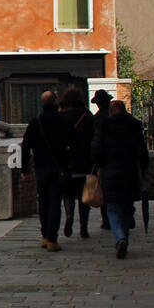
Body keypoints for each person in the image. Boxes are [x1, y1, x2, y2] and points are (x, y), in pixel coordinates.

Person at [92, 100, 149, 259]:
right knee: (127, 207)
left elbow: (96, 150)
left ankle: (120, 237)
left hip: (109, 172)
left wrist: (99, 164)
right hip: (130, 173)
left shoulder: (103, 126)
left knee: (112, 208)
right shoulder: (134, 126)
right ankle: (124, 236)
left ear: (110, 111)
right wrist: (143, 169)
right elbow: (142, 152)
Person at [21, 90, 70, 251]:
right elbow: (71, 142)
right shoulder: (62, 120)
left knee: (43, 201)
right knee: (55, 202)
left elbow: (26, 145)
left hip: (40, 167)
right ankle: (52, 239)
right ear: (55, 102)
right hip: (58, 166)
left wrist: (24, 168)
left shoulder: (36, 121)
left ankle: (44, 236)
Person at [58, 87, 95, 240]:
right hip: (85, 162)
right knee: (83, 196)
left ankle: (69, 216)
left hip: (67, 162)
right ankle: (83, 228)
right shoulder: (87, 116)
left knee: (68, 194)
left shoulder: (60, 117)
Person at [90, 89, 113, 230]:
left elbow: (96, 142)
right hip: (122, 160)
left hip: (104, 161)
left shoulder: (97, 119)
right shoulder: (120, 118)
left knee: (104, 190)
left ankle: (107, 220)